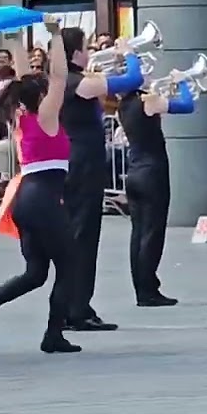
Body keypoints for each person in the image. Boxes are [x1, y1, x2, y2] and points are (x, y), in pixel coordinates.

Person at [0, 15, 83, 355]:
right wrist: (56, 35)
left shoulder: (21, 115)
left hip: (25, 200)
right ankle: (53, 335)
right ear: (42, 96)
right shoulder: (46, 116)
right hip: (43, 199)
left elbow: (22, 79)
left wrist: (15, 40)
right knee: (70, 264)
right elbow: (60, 76)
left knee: (35, 273)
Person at [59, 27, 144, 332]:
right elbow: (132, 80)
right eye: (85, 48)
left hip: (76, 163)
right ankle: (77, 309)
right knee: (84, 235)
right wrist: (130, 54)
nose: (90, 52)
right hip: (83, 165)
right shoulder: (76, 83)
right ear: (73, 53)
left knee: (78, 235)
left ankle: (74, 305)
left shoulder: (64, 81)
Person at [118, 70, 196, 307]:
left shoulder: (124, 105)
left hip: (134, 171)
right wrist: (182, 80)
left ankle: (142, 287)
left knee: (138, 233)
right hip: (153, 172)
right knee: (153, 233)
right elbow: (187, 105)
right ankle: (148, 289)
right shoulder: (147, 101)